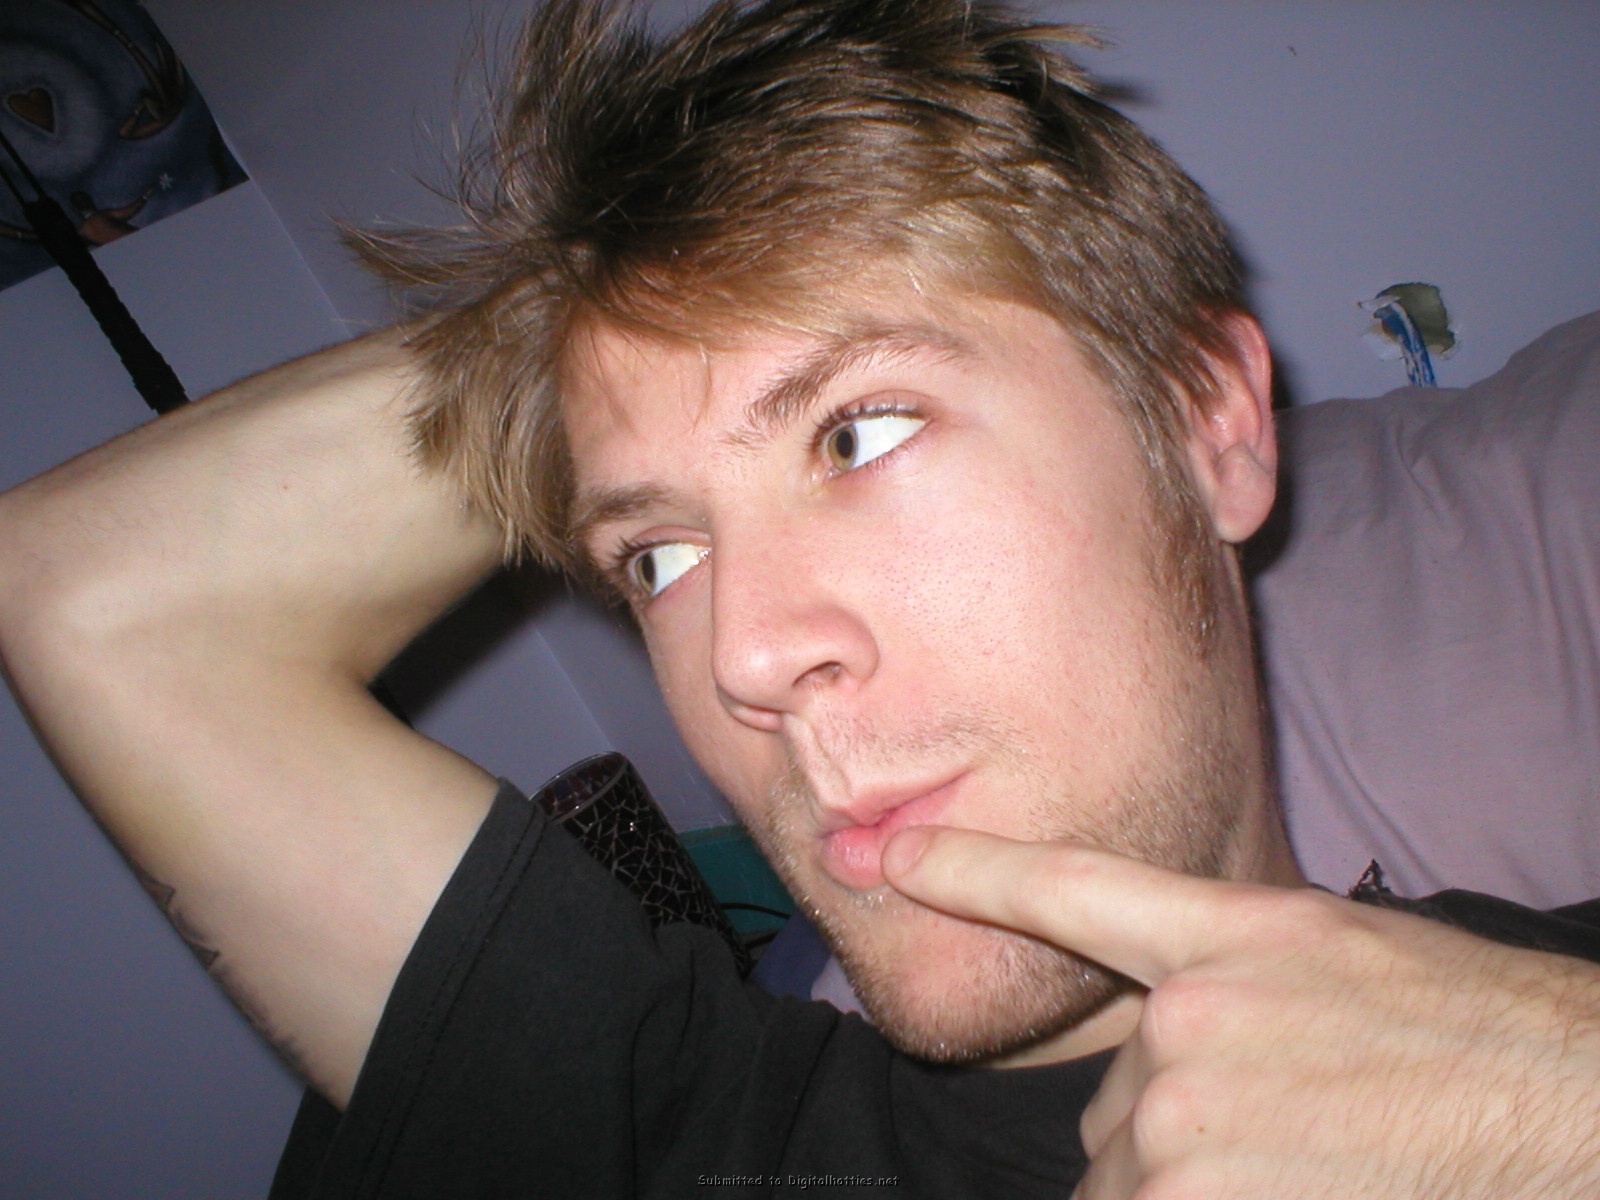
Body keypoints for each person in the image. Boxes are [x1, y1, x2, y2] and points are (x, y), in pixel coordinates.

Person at [2, 0, 1598, 1195]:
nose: (744, 656)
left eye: (861, 432)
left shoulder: (1562, 1022)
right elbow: (94, 595)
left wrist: (1548, 1118)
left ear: (1211, 424)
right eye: (658, 557)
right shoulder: (703, 1138)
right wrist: (591, 292)